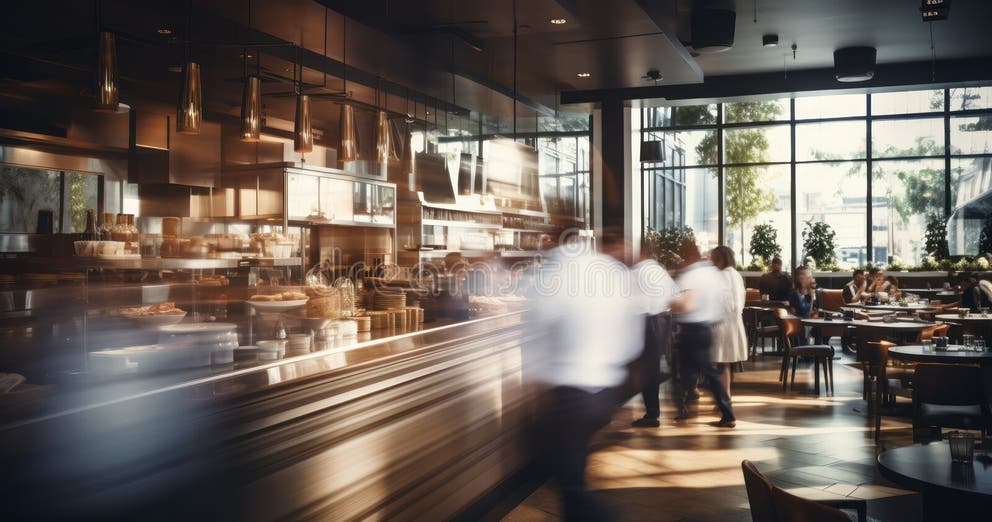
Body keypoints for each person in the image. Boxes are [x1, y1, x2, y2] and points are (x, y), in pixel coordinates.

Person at [524, 231, 644, 520]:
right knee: (570, 474)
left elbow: (537, 328)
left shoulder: (556, 271)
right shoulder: (612, 274)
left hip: (570, 394)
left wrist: (533, 379)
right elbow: (633, 341)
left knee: (567, 480)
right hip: (603, 392)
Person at [670, 239, 736, 428]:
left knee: (690, 372)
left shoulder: (691, 276)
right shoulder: (712, 273)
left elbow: (687, 305)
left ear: (686, 255)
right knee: (693, 372)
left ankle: (726, 414)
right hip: (707, 329)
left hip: (692, 331)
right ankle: (687, 409)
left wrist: (669, 302)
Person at [630, 254, 679, 427]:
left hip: (645, 321)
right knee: (652, 367)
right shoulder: (658, 270)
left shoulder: (636, 271)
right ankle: (653, 411)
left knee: (647, 369)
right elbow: (674, 295)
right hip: (660, 320)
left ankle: (652, 413)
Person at [709, 246, 748, 400]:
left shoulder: (721, 275)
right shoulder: (735, 275)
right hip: (733, 324)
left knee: (719, 363)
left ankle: (723, 398)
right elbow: (739, 302)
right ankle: (725, 397)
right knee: (724, 364)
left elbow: (721, 301)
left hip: (721, 326)